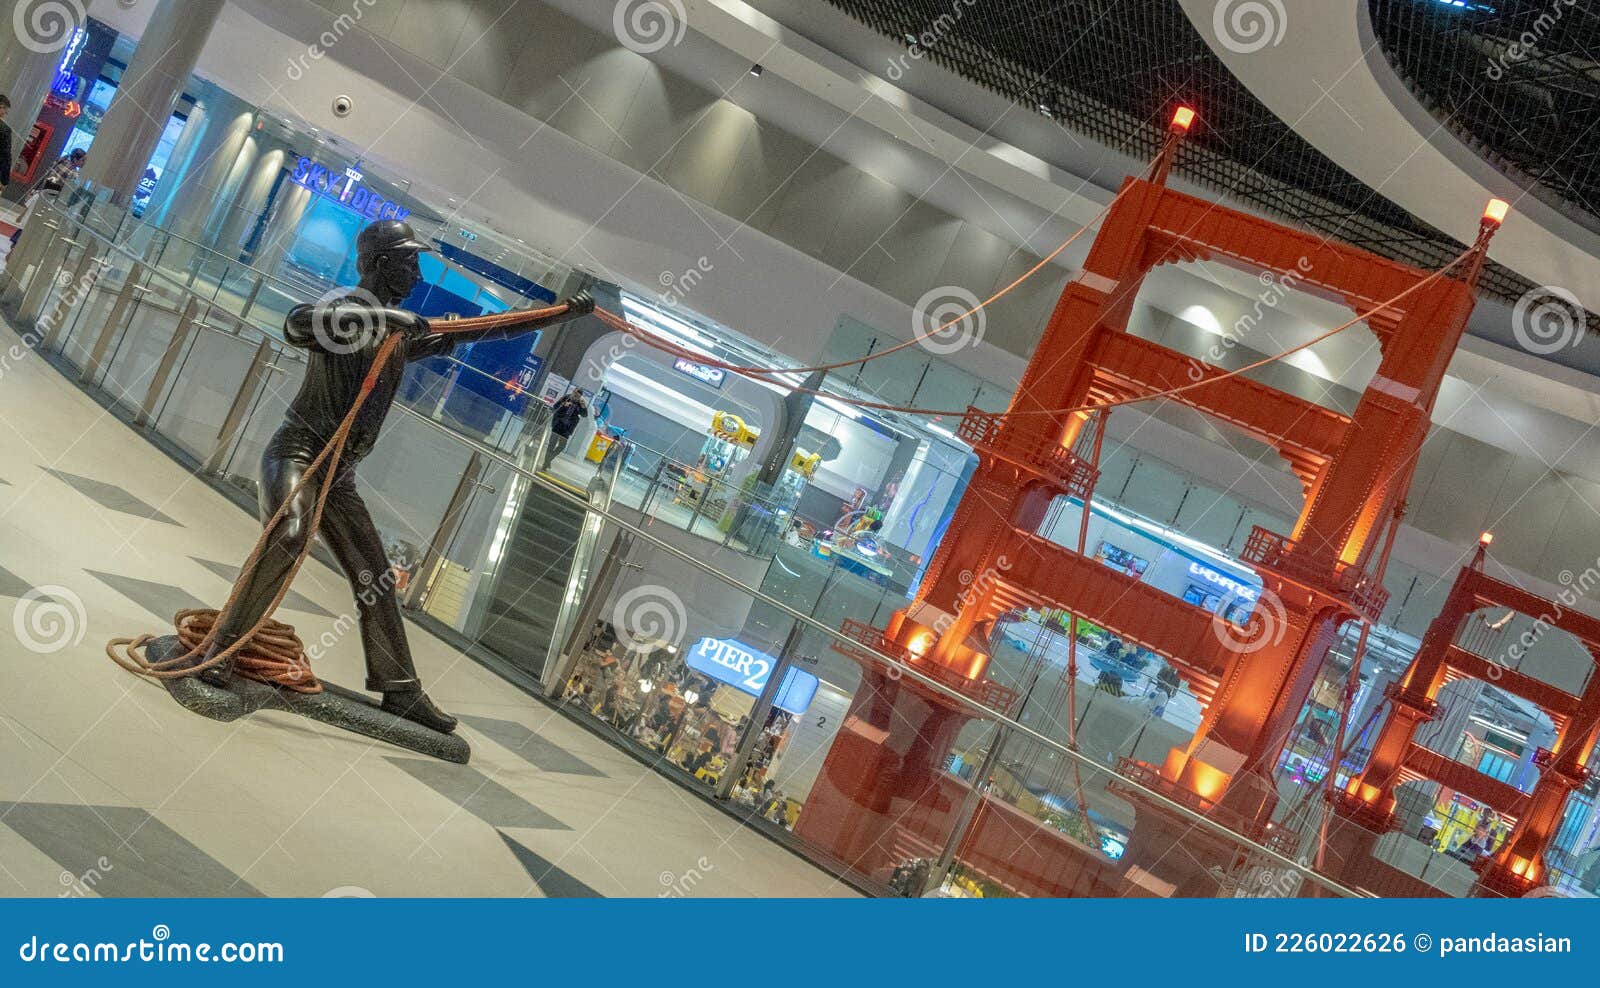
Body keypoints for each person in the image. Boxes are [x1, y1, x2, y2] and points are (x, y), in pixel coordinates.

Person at [198, 219, 595, 733]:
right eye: (411, 262)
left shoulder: (400, 333)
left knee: (375, 577)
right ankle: (219, 650)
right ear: (383, 265)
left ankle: (401, 690)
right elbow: (297, 323)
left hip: (337, 476)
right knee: (289, 534)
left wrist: (563, 314)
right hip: (299, 455)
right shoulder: (351, 314)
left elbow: (486, 330)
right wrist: (388, 318)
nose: (417, 271)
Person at [542, 389, 588, 470]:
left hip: (567, 428)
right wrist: (564, 404)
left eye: (578, 396)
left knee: (562, 446)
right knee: (551, 444)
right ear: (573, 392)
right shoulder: (566, 397)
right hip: (558, 424)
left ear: (580, 396)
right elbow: (555, 406)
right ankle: (546, 463)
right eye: (575, 394)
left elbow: (584, 415)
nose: (575, 397)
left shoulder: (580, 403)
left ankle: (548, 460)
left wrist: (583, 406)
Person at [0, 95, 12, 196]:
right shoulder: (4, 130)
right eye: (5, 109)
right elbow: (6, 157)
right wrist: (4, 180)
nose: (6, 113)